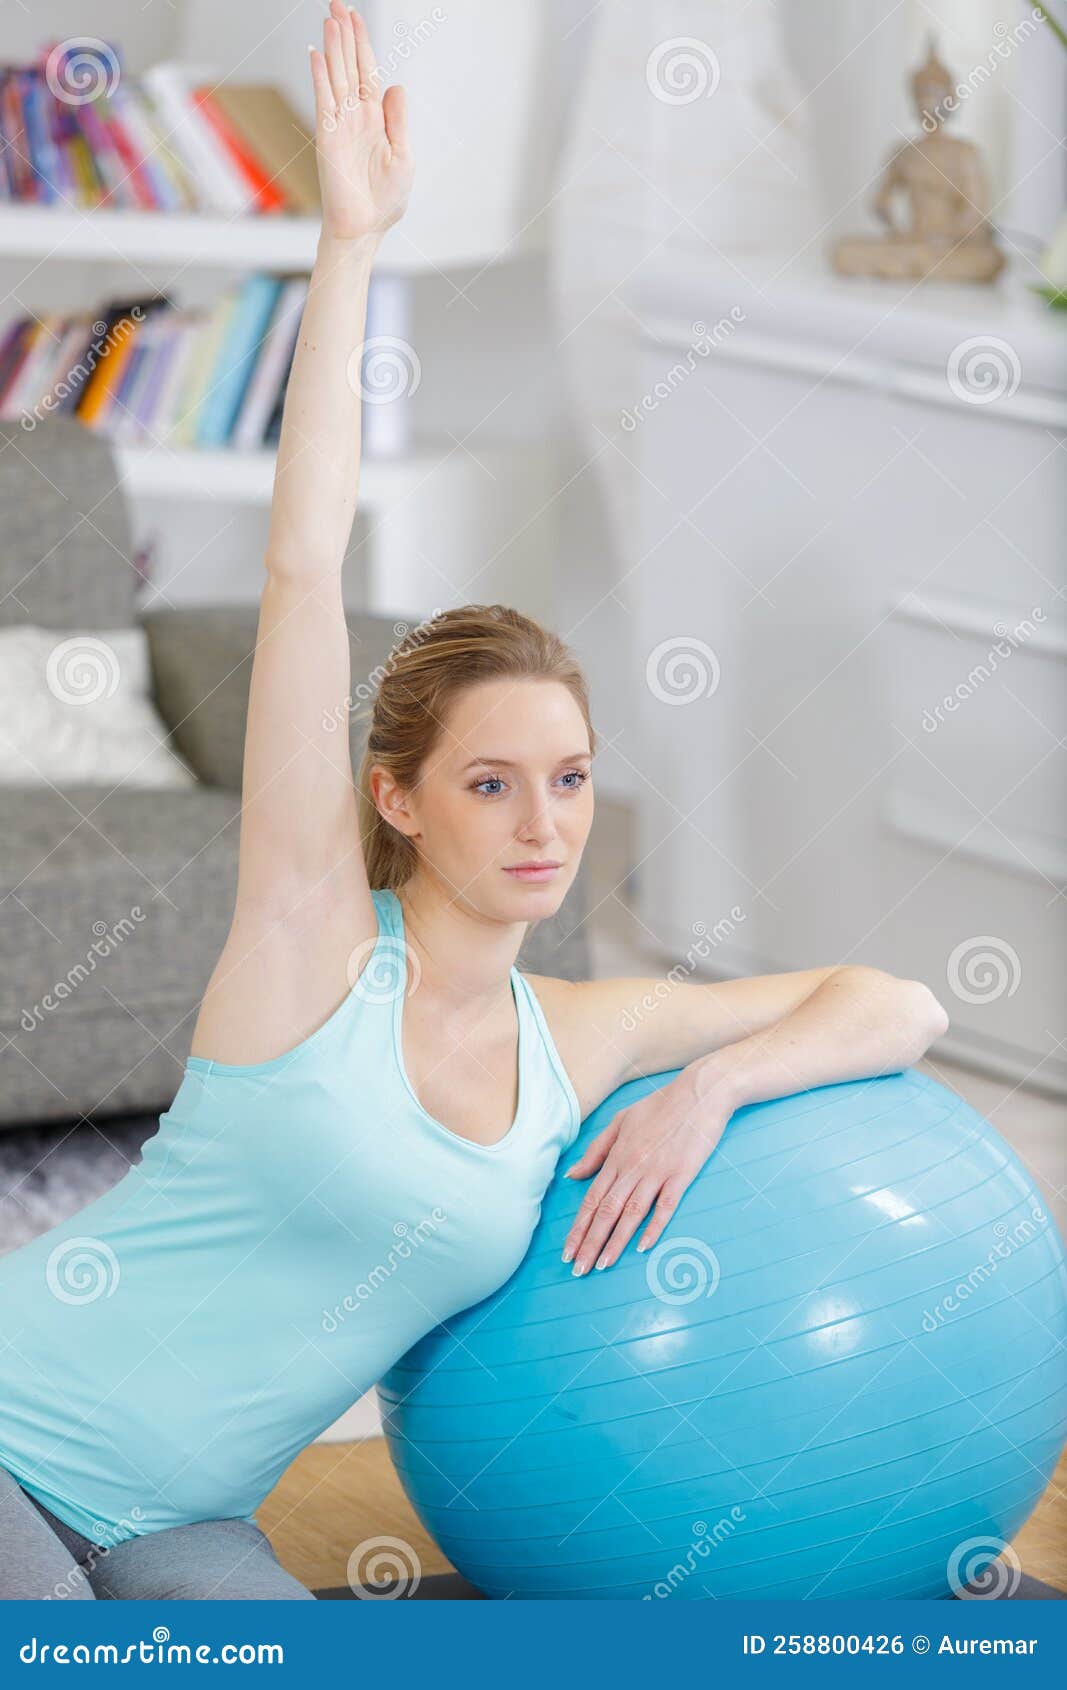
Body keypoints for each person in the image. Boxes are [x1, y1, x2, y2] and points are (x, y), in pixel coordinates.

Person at [0, 4, 948, 1601]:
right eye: (493, 782)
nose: (544, 823)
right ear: (403, 799)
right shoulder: (308, 943)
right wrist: (351, 240)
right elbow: (305, 570)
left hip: (184, 1519)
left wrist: (711, 1087)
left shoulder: (582, 1038)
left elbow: (901, 1003)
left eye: (571, 781)